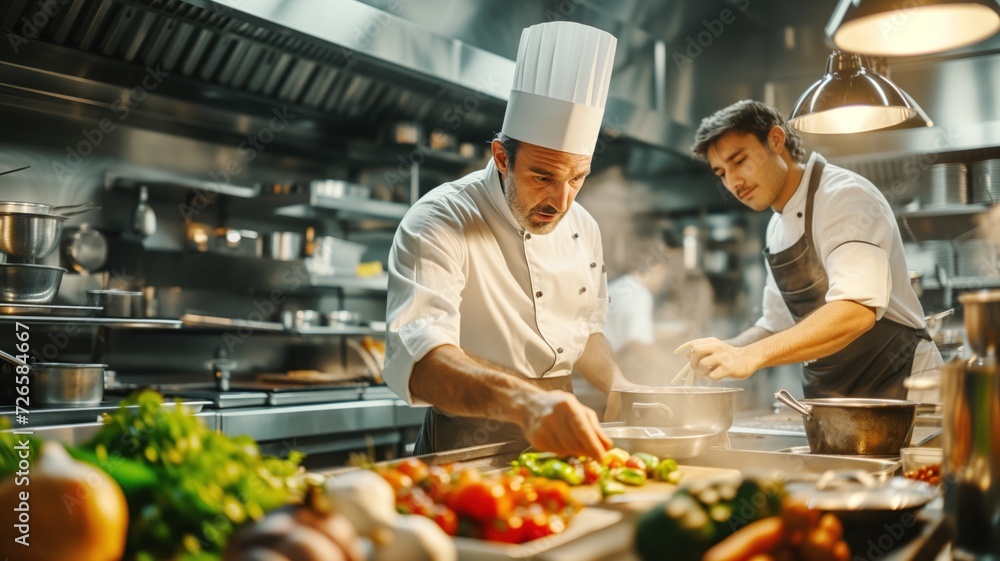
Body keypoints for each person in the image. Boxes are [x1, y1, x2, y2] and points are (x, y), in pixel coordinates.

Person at [383, 21, 630, 459]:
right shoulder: (440, 218)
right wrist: (526, 403)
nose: (562, 200)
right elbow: (420, 359)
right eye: (543, 176)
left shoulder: (584, 225)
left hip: (559, 436)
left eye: (578, 177)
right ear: (501, 157)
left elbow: (583, 331)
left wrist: (620, 385)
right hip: (467, 440)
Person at [677, 100, 942, 401]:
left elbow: (855, 312)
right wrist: (729, 350)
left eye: (739, 161)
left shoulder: (844, 197)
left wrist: (750, 356)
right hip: (834, 402)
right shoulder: (776, 227)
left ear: (776, 140)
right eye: (721, 172)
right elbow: (777, 324)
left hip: (904, 388)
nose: (733, 182)